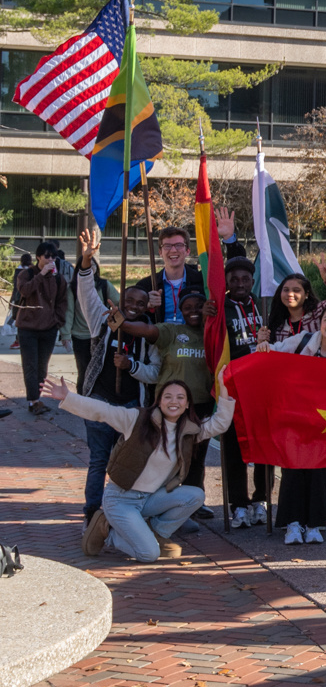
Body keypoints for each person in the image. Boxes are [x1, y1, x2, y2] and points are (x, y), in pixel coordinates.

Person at [50, 374, 235, 562]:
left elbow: (219, 423)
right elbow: (103, 411)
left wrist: (223, 387)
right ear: (159, 401)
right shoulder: (137, 419)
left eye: (180, 398)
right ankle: (108, 531)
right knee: (149, 554)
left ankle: (155, 533)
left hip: (149, 499)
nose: (174, 402)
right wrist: (69, 397)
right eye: (168, 397)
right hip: (121, 499)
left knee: (195, 495)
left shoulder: (188, 431)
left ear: (187, 404)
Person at [73, 229, 158, 524]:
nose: (132, 307)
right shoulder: (105, 321)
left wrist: (131, 365)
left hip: (132, 408)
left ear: (147, 307)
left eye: (139, 303)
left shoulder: (149, 333)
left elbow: (154, 372)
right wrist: (86, 262)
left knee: (127, 463)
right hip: (100, 402)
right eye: (128, 301)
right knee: (98, 461)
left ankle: (124, 514)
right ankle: (93, 514)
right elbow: (86, 295)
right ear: (120, 300)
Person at [256, 302, 326, 543]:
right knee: (293, 468)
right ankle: (293, 523)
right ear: (319, 323)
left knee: (319, 470)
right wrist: (263, 346)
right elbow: (275, 350)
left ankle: (314, 524)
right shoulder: (303, 340)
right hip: (295, 416)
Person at [116, 284, 215, 504]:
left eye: (199, 306)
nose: (193, 311)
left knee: (196, 459)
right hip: (169, 408)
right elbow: (145, 330)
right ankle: (155, 502)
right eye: (187, 307)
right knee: (164, 456)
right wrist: (120, 322)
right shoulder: (172, 331)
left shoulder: (212, 333)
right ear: (180, 310)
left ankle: (192, 504)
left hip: (200, 406)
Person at [217, 257, 271, 528]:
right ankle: (238, 503)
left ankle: (261, 499)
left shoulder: (265, 305)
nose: (240, 284)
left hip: (262, 387)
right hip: (233, 387)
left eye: (245, 279)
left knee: (263, 445)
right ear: (226, 282)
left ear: (253, 281)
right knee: (234, 447)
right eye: (234, 279)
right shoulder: (220, 308)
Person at [16, 240, 67, 415]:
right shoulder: (27, 274)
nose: (50, 259)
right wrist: (41, 274)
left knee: (42, 365)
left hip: (48, 328)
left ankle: (37, 398)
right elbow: (24, 291)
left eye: (53, 256)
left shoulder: (58, 279)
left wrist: (57, 321)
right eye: (46, 256)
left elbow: (62, 301)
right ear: (38, 257)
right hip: (28, 328)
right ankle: (33, 401)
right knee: (30, 364)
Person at [64, 248, 116, 391]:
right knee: (84, 371)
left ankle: (98, 400)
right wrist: (66, 335)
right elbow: (68, 312)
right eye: (87, 264)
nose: (91, 267)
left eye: (93, 264)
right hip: (80, 336)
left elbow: (119, 305)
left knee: (101, 370)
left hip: (101, 335)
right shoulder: (73, 288)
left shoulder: (105, 285)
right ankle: (83, 401)